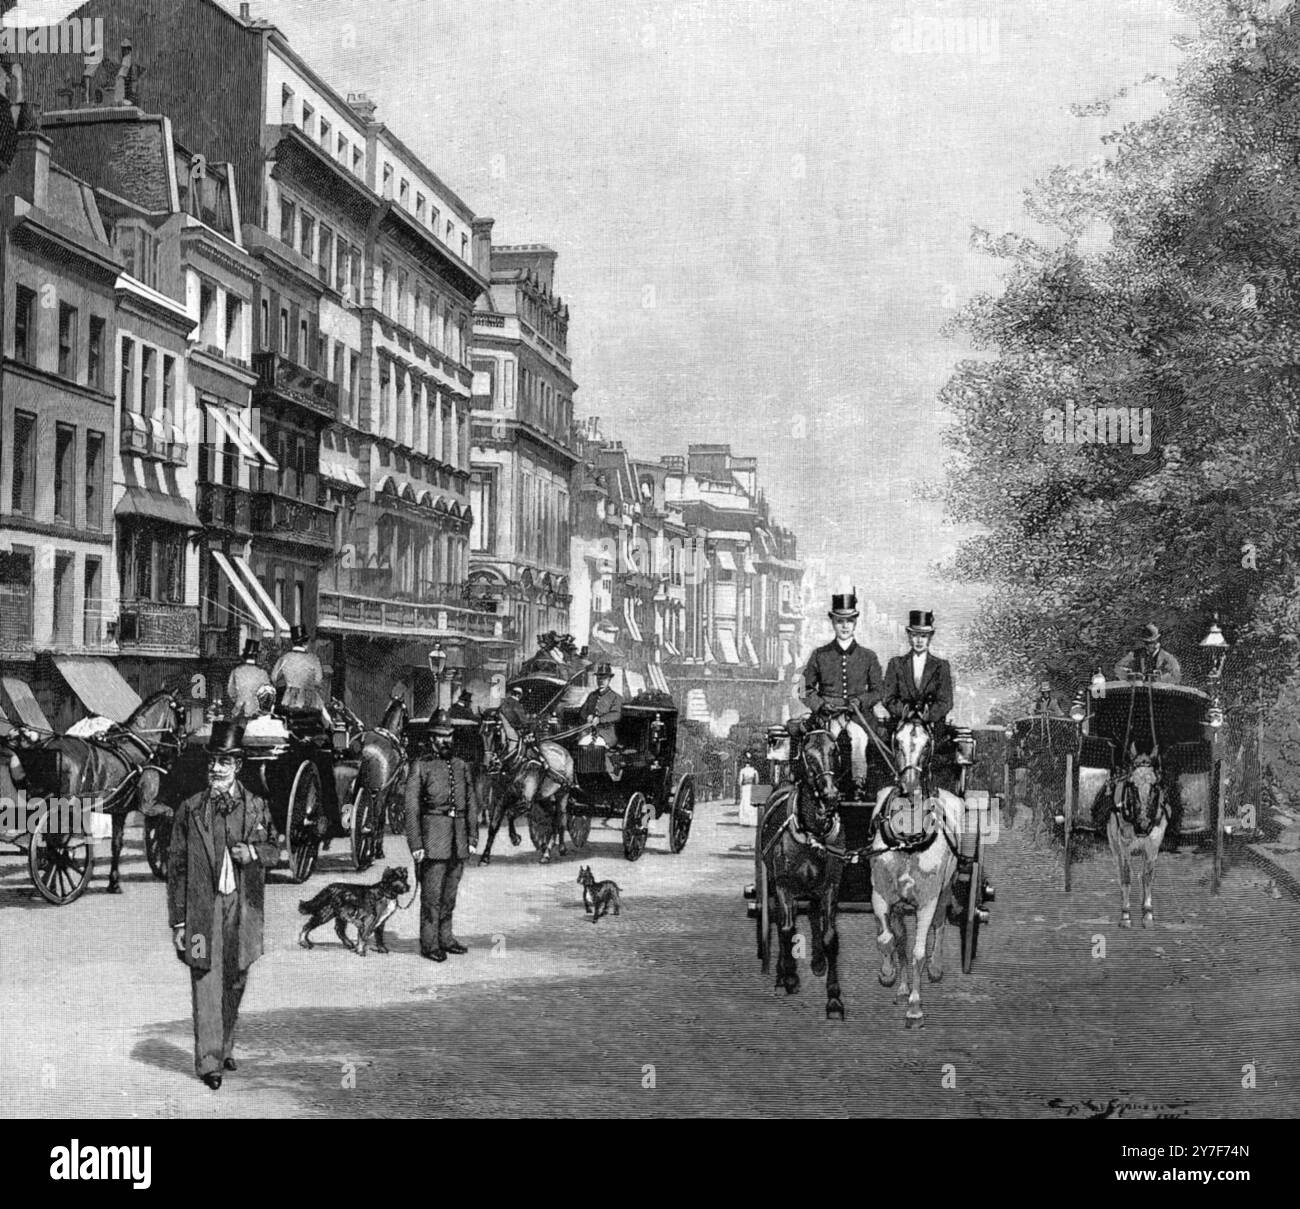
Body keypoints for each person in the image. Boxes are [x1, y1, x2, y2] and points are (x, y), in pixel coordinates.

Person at [167, 722, 277, 1089]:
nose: (216, 768)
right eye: (213, 761)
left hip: (242, 908)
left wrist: (254, 853)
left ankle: (225, 1045)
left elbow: (277, 851)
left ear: (238, 766)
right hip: (202, 911)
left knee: (235, 979)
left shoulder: (257, 807)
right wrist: (179, 924)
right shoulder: (189, 810)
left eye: (224, 763)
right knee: (205, 981)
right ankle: (208, 1062)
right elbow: (177, 868)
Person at [404, 717, 479, 962]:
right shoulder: (421, 766)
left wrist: (472, 836)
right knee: (432, 898)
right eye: (440, 736)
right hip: (433, 839)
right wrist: (416, 844)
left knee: (450, 896)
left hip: (458, 839)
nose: (446, 740)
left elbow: (470, 803)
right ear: (431, 740)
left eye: (449, 735)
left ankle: (446, 939)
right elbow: (412, 809)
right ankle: (430, 944)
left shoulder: (461, 766)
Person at [800, 592, 884, 791]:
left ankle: (858, 784)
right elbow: (804, 688)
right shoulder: (820, 655)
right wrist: (820, 705)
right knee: (826, 743)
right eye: (840, 621)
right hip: (827, 717)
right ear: (833, 623)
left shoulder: (868, 656)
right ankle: (827, 786)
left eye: (849, 621)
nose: (844, 626)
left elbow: (879, 690)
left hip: (858, 717)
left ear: (855, 623)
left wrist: (861, 702)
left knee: (860, 740)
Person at [882, 610, 957, 773]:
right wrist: (904, 711)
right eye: (915, 635)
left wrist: (928, 714)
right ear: (909, 636)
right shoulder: (896, 664)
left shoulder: (941, 666)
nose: (918, 640)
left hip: (931, 725)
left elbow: (946, 701)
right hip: (901, 723)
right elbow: (888, 698)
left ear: (930, 637)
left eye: (923, 636)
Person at [271, 625, 331, 729]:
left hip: (288, 700)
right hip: (309, 700)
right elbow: (318, 680)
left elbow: (274, 678)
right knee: (327, 723)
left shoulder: (285, 658)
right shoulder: (313, 659)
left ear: (293, 642)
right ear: (306, 643)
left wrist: (287, 682)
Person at [1115, 623, 1182, 684]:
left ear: (1157, 641)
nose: (1148, 646)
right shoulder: (1136, 654)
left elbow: (1176, 676)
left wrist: (1160, 679)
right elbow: (1118, 666)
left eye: (1151, 643)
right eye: (1146, 643)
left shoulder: (1168, 657)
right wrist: (1129, 675)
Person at [578, 664, 623, 747]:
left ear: (609, 679)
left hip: (606, 734)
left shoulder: (616, 697)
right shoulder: (592, 695)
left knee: (595, 747)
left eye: (604, 678)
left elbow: (616, 715)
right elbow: (583, 711)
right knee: (581, 744)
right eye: (599, 678)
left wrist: (599, 719)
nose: (601, 681)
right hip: (588, 731)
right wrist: (588, 716)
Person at [226, 638, 272, 721]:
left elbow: (230, 691)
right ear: (256, 656)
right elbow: (267, 693)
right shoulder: (263, 673)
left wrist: (238, 699)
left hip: (239, 709)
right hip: (256, 712)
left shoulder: (236, 671)